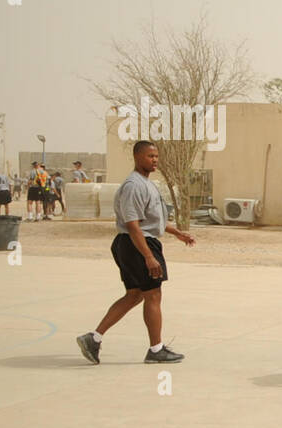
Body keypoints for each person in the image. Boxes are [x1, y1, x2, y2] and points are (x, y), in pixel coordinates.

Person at [76, 141, 194, 365]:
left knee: (135, 295)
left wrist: (178, 233)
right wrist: (148, 256)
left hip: (136, 242)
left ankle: (93, 338)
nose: (155, 160)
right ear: (137, 157)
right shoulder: (133, 186)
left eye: (156, 156)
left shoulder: (147, 184)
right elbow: (133, 225)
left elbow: (152, 220)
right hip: (137, 244)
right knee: (153, 295)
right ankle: (156, 349)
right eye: (150, 156)